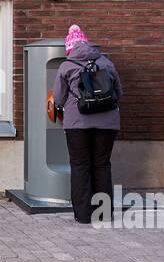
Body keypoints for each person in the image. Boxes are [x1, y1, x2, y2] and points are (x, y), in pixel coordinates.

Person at [51, 24, 123, 224]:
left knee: (80, 165)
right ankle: (104, 214)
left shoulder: (66, 66)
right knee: (102, 164)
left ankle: (83, 215)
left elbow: (58, 98)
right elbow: (119, 93)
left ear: (70, 48)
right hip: (108, 122)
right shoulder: (107, 63)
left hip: (77, 123)